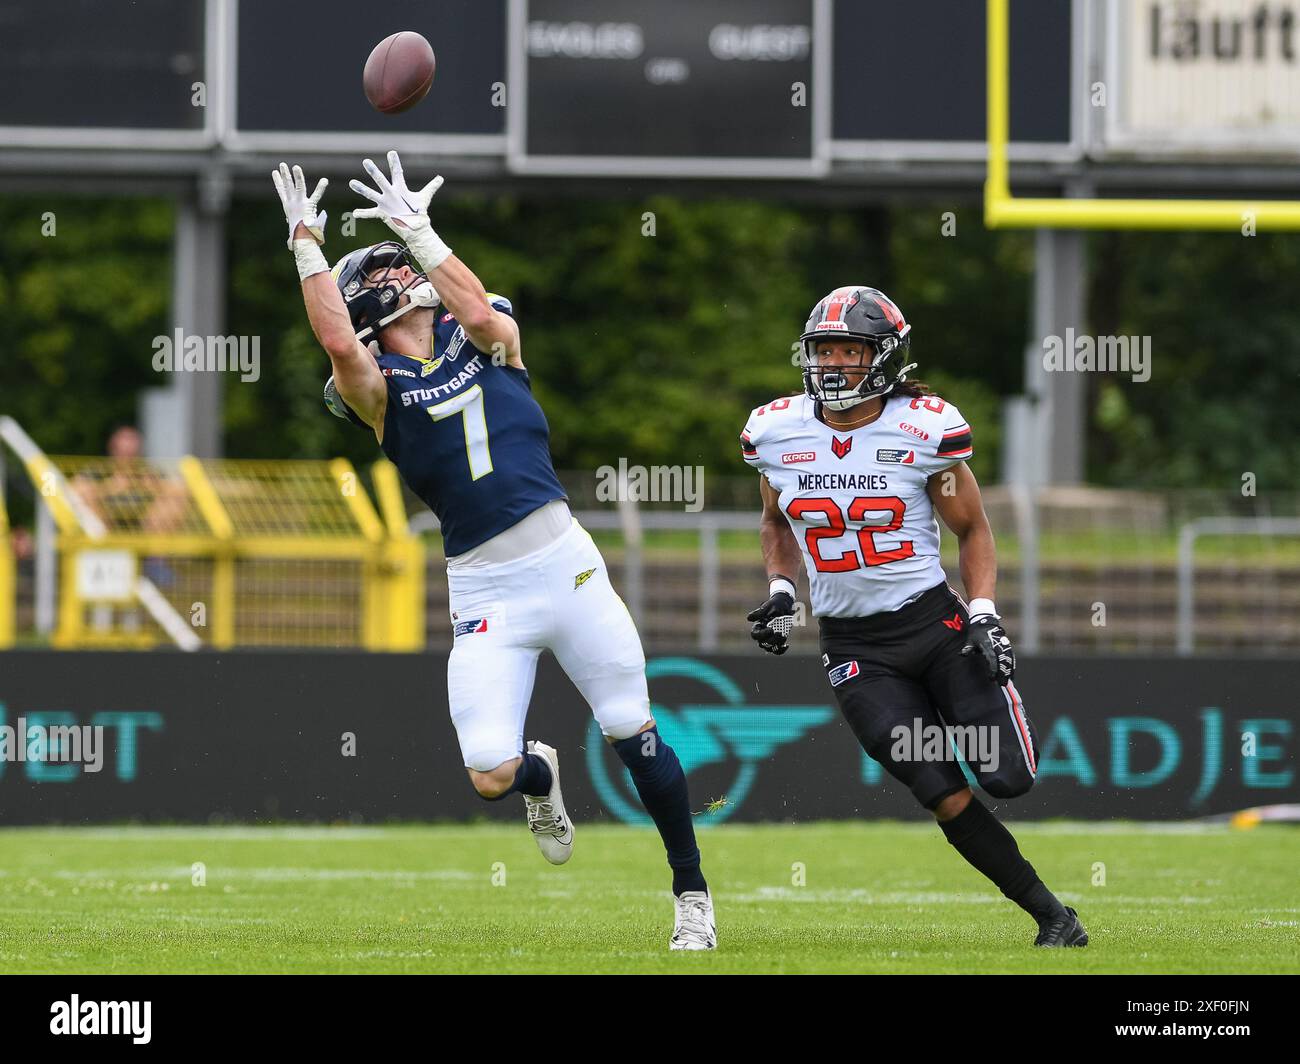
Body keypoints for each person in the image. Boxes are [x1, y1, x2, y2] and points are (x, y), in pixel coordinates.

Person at [271, 154, 715, 950]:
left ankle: (691, 893)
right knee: (488, 771)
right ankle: (540, 776)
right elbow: (340, 346)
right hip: (486, 591)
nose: (406, 272)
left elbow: (477, 312)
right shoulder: (378, 391)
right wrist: (307, 247)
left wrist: (420, 229)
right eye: (393, 266)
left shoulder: (486, 336)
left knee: (631, 729)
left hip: (567, 566)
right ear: (375, 300)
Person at [741, 285, 1086, 947]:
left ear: (884, 356)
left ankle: (1001, 708)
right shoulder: (776, 431)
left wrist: (984, 614)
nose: (834, 365)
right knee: (940, 789)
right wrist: (784, 590)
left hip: (934, 629)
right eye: (824, 351)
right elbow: (774, 521)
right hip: (855, 650)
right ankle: (1055, 919)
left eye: (850, 350)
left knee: (1007, 778)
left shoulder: (923, 428)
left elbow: (973, 530)